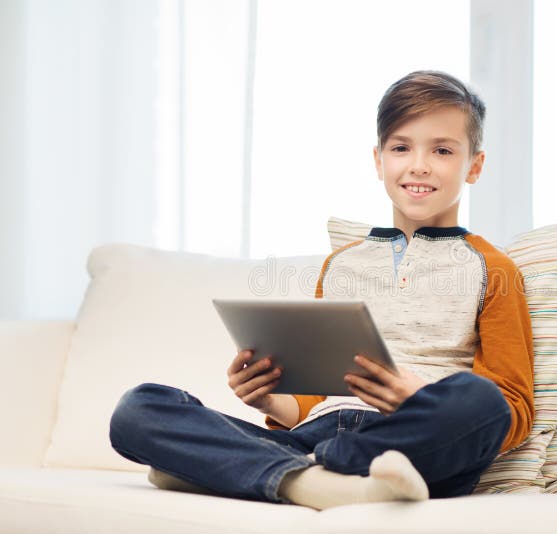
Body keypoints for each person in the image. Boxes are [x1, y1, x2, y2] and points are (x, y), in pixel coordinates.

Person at [108, 70, 534, 510]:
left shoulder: (494, 268)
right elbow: (316, 393)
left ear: (474, 166)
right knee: (139, 409)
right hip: (315, 436)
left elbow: (513, 409)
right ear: (378, 160)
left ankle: (247, 470)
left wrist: (417, 397)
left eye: (442, 150)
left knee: (482, 402)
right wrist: (271, 398)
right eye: (401, 148)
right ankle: (317, 480)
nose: (419, 165)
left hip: (410, 444)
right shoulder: (341, 265)